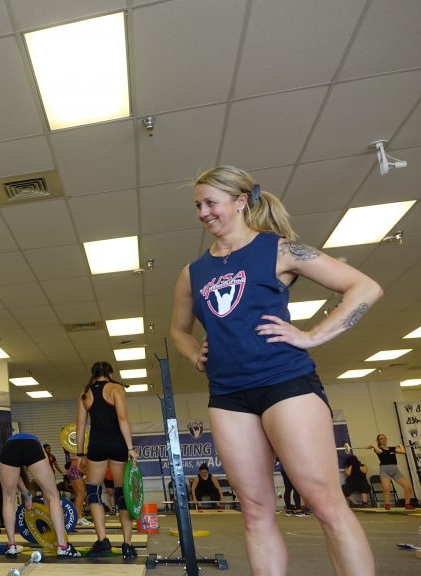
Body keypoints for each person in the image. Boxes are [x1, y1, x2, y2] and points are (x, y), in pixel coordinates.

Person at [170, 165, 382, 575]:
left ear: (241, 201)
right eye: (198, 205)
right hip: (229, 396)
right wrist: (196, 353)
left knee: (325, 504)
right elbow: (178, 329)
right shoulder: (192, 273)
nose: (203, 212)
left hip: (286, 384)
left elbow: (365, 288)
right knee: (254, 512)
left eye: (211, 202)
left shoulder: (280, 250)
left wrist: (314, 335)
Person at [74, 361, 139, 560]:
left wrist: (79, 454)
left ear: (93, 374)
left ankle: (102, 540)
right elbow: (122, 418)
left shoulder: (85, 394)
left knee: (93, 491)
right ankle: (127, 545)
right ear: (110, 373)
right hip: (118, 444)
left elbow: (80, 426)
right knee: (122, 493)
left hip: (97, 445)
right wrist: (130, 448)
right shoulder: (116, 388)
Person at [0, 432, 81, 558]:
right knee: (53, 496)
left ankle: (11, 546)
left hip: (9, 447)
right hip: (31, 444)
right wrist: (30, 496)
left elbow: (16, 478)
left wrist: (26, 495)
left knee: (8, 499)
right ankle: (63, 547)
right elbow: (47, 494)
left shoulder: (9, 444)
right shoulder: (37, 443)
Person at [368, 434, 417, 510]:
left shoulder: (392, 448)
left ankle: (407, 504)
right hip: (384, 470)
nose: (384, 440)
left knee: (408, 487)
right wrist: (373, 446)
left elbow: (403, 452)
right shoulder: (377, 449)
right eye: (381, 439)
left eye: (385, 438)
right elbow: (380, 452)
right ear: (378, 440)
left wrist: (400, 445)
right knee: (387, 488)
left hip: (395, 470)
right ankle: (387, 504)